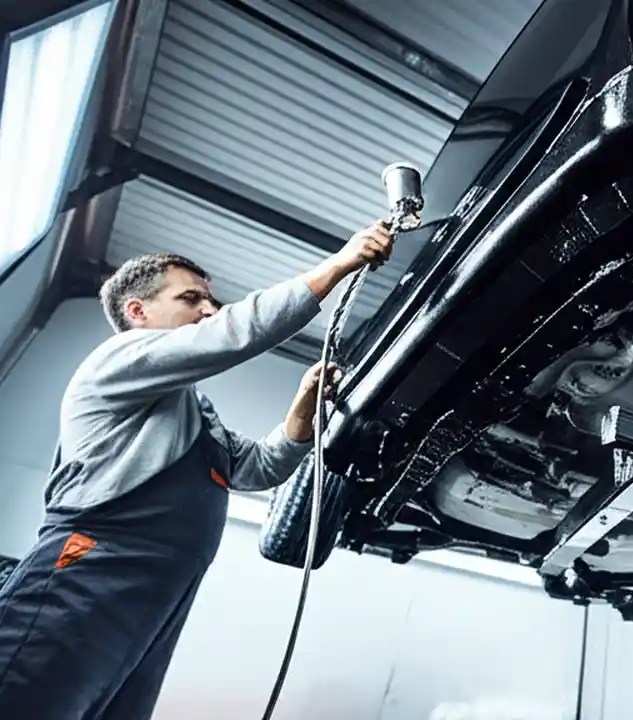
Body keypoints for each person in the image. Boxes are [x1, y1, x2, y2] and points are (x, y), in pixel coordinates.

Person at [0, 219, 395, 719]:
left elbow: (256, 468)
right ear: (137, 311)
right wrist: (338, 265)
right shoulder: (115, 362)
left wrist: (302, 409)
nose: (210, 308)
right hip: (90, 569)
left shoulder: (189, 410)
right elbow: (233, 335)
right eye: (191, 299)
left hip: (160, 596)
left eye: (210, 300)